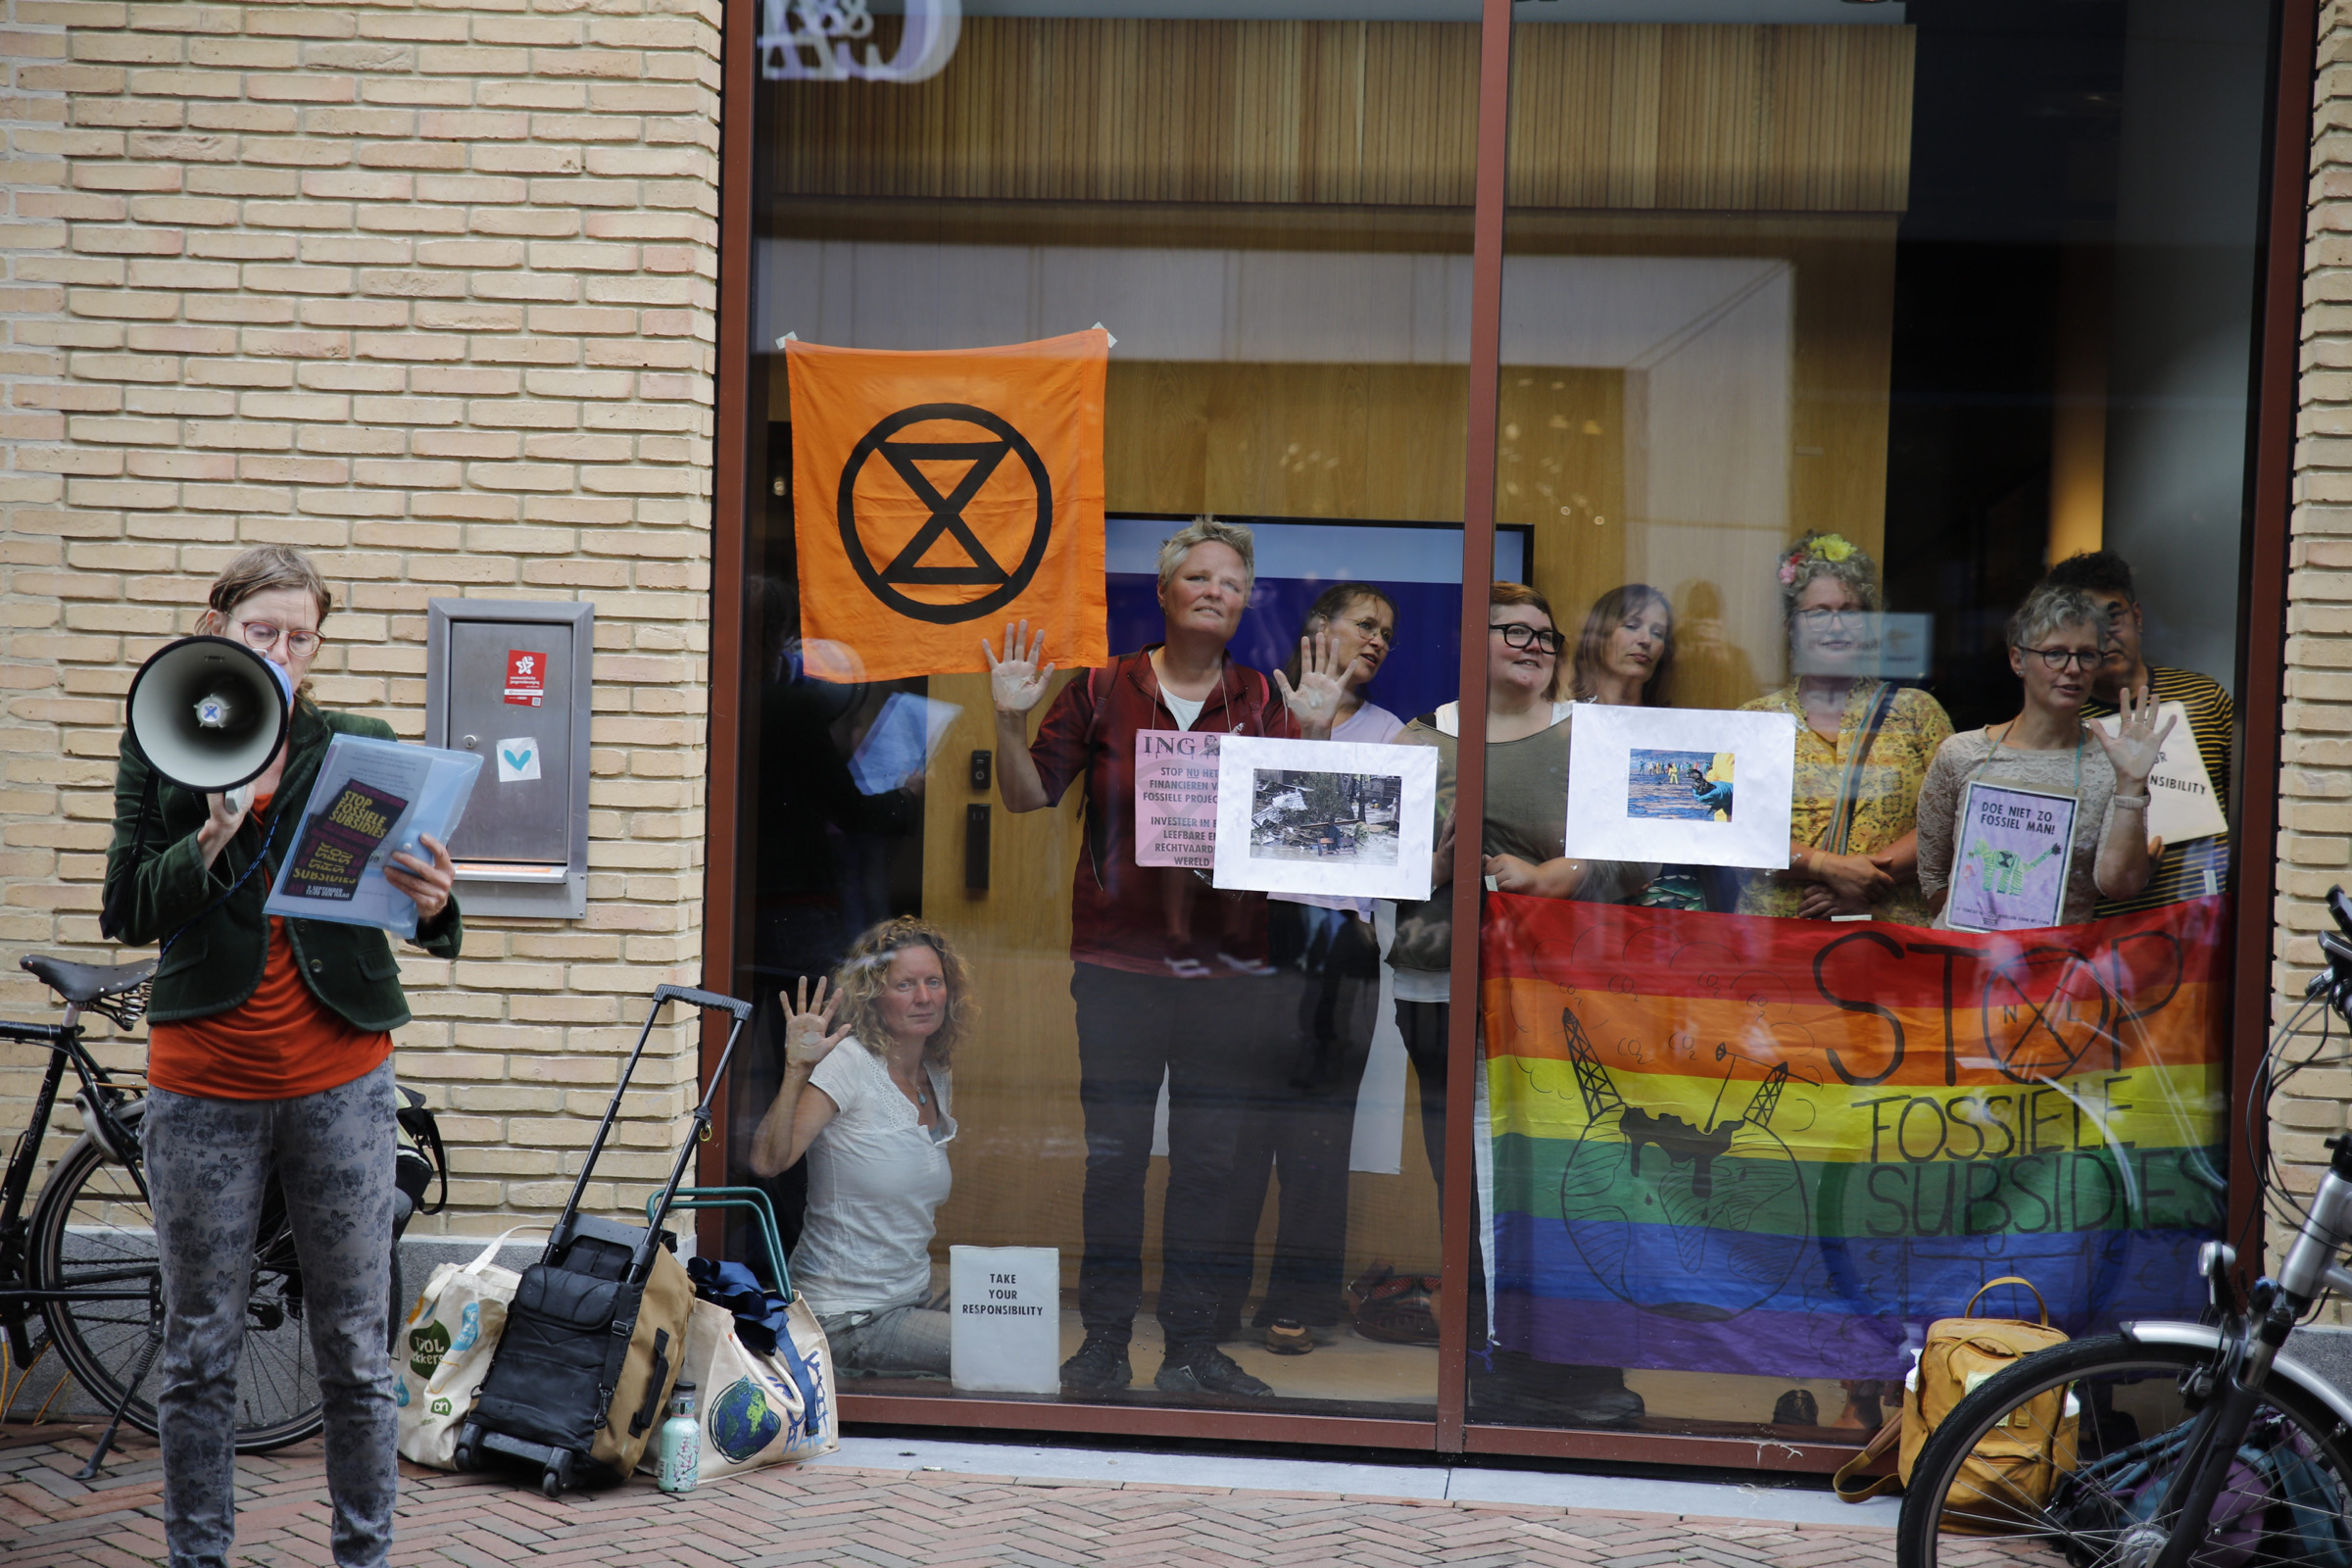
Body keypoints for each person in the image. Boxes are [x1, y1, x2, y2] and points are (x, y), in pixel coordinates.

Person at [104, 545, 460, 1568]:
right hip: (202, 1081)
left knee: (351, 1345)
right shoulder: (164, 738)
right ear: (217, 624)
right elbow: (128, 905)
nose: (283, 651)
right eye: (264, 631)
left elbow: (413, 907)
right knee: (200, 1347)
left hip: (341, 1077)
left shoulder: (357, 743)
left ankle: (364, 1554)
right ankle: (198, 1556)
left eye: (301, 636)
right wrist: (209, 834)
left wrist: (437, 904)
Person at [984, 517, 1348, 1398]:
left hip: (1229, 974)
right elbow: (1029, 797)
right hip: (1117, 969)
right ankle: (1105, 1341)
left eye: (1232, 580)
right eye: (1199, 576)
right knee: (1114, 1159)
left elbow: (1305, 843)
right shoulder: (1103, 689)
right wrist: (1006, 717)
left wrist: (1317, 738)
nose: (1216, 590)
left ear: (1245, 601)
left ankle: (1190, 1346)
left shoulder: (1265, 699)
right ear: (1164, 591)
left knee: (1211, 1165)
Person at [1389, 582, 1654, 1427]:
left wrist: (1557, 876)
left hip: (1565, 997)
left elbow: (1643, 858)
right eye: (1516, 632)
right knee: (1464, 1185)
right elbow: (1367, 867)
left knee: (1571, 1178)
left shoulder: (1594, 739)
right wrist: (1431, 869)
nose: (1536, 646)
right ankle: (1483, 1372)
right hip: (1444, 991)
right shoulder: (1417, 741)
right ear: (1475, 643)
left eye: (1546, 634)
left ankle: (1572, 1372)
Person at [1216, 585, 1403, 1356]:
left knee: (1319, 1136)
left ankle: (1297, 1302)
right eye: (1367, 624)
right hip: (1258, 926)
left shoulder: (1398, 734)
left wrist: (1322, 742)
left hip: (1343, 940)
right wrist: (1308, 731)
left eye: (1388, 633)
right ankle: (1213, 1297)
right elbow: (1243, 835)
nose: (1379, 641)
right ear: (1319, 630)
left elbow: (1359, 848)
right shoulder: (1255, 705)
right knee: (1234, 1130)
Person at [747, 917, 972, 1377]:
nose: (924, 997)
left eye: (933, 982)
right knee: (994, 1345)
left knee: (1017, 1312)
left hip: (909, 1296)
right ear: (873, 998)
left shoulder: (935, 1072)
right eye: (905, 985)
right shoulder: (849, 1065)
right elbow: (767, 1161)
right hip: (846, 1317)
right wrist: (797, 1069)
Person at [1916, 583, 2174, 929]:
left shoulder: (2113, 762)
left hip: (2055, 967)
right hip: (1968, 963)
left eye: (2086, 655)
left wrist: (2131, 783)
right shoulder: (1961, 754)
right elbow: (1933, 876)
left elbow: (2120, 885)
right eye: (2055, 653)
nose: (2072, 669)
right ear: (2017, 659)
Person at [1739, 532, 1954, 924]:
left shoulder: (1918, 712)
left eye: (1850, 611)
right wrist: (1828, 868)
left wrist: (1866, 883)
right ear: (1791, 626)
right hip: (1776, 936)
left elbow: (1954, 820)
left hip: (1891, 933)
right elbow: (1734, 830)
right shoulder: (1755, 720)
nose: (1835, 625)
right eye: (1819, 612)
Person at [2043, 549, 2235, 911]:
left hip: (2209, 914)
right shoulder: (2062, 726)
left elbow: (2255, 804)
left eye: (2113, 620)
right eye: (2086, 625)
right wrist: (2120, 867)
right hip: (2107, 930)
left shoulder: (2202, 698)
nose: (2104, 637)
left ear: (2137, 616)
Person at [1568, 582, 1675, 706]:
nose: (1646, 640)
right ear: (1599, 636)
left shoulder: (1666, 723)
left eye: (1657, 633)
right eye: (1632, 626)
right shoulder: (1567, 717)